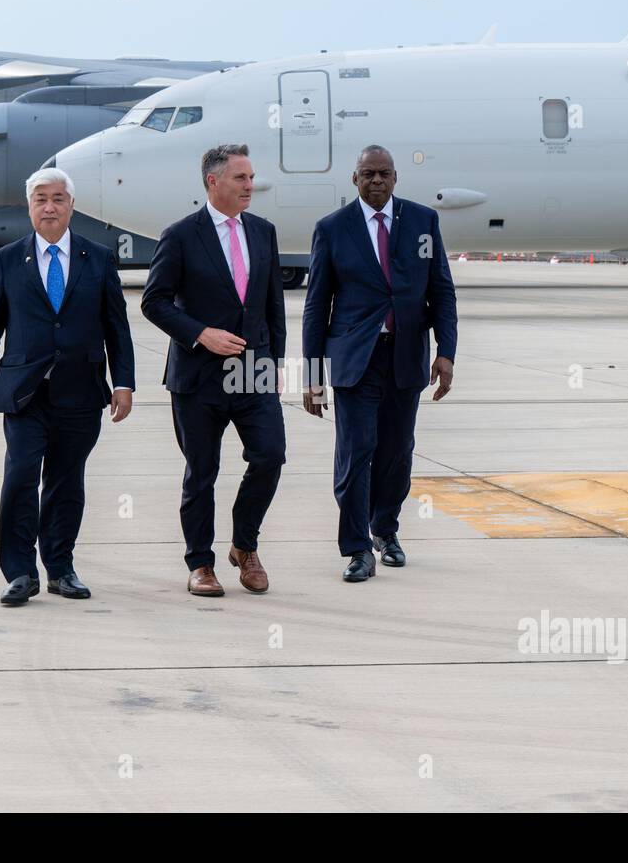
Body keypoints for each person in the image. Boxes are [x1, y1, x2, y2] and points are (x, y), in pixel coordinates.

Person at [0, 168, 134, 606]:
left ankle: (60, 568)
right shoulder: (7, 259)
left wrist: (125, 382)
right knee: (20, 477)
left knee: (66, 482)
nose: (50, 207)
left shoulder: (98, 258)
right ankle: (19, 572)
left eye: (58, 198)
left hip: (81, 390)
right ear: (29, 206)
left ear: (71, 205)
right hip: (24, 391)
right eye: (41, 199)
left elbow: (117, 326)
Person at [302, 145, 458, 581]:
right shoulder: (332, 229)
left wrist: (446, 351)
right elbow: (317, 306)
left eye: (384, 173)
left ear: (395, 178)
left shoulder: (423, 222)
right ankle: (356, 549)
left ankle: (385, 531)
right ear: (354, 179)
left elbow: (441, 290)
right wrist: (313, 374)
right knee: (356, 453)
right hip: (355, 360)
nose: (376, 181)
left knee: (396, 454)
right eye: (367, 173)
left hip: (406, 357)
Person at [142, 144, 286, 597]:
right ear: (213, 182)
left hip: (254, 371)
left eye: (251, 177)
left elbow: (272, 307)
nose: (250, 186)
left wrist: (276, 364)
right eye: (241, 178)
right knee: (201, 471)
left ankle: (245, 546)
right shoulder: (181, 235)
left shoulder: (263, 232)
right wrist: (200, 333)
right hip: (198, 375)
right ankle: (201, 563)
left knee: (270, 456)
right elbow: (154, 302)